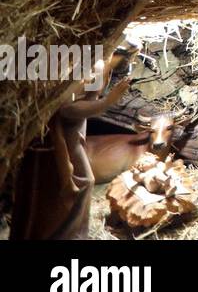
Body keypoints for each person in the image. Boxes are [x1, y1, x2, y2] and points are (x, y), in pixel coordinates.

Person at [10, 48, 134, 240]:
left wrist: (101, 100)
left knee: (84, 183)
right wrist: (106, 103)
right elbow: (65, 110)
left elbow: (87, 102)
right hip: (55, 140)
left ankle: (74, 234)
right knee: (64, 188)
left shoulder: (100, 65)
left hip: (76, 134)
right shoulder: (78, 63)